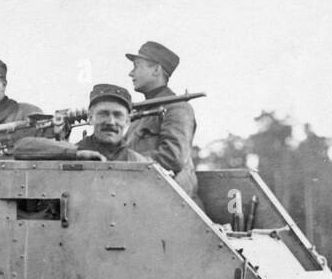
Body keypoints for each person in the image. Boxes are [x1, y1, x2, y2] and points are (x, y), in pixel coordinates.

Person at [123, 40, 197, 194]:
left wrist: (124, 161)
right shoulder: (140, 112)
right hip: (143, 195)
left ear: (156, 70)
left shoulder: (178, 107)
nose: (131, 73)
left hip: (171, 202)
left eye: (136, 66)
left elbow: (173, 157)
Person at [13, 84, 149, 162]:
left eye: (118, 115)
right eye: (103, 114)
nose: (111, 122)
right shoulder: (70, 152)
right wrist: (76, 154)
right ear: (90, 117)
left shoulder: (138, 162)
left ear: (127, 121)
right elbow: (21, 147)